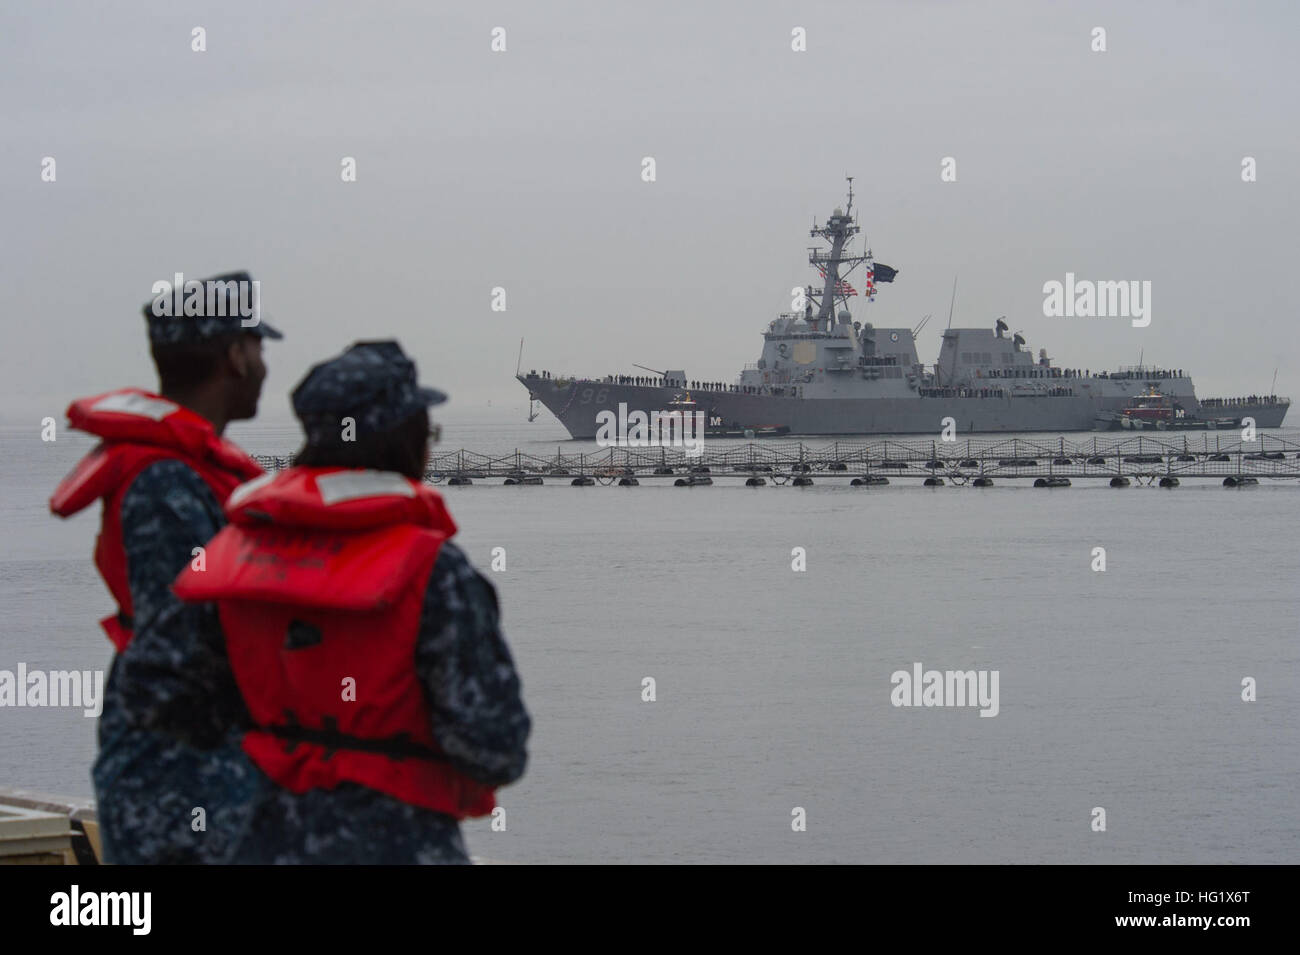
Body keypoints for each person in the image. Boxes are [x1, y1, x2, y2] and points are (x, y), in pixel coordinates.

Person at [174, 340, 530, 863]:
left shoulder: (231, 558)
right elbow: (496, 747)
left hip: (256, 840)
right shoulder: (435, 574)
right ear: (408, 439)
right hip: (400, 842)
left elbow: (173, 703)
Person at [49, 271, 282, 863]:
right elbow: (182, 648)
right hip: (179, 777)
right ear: (234, 355)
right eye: (258, 347)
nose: (264, 364)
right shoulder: (167, 483)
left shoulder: (189, 471)